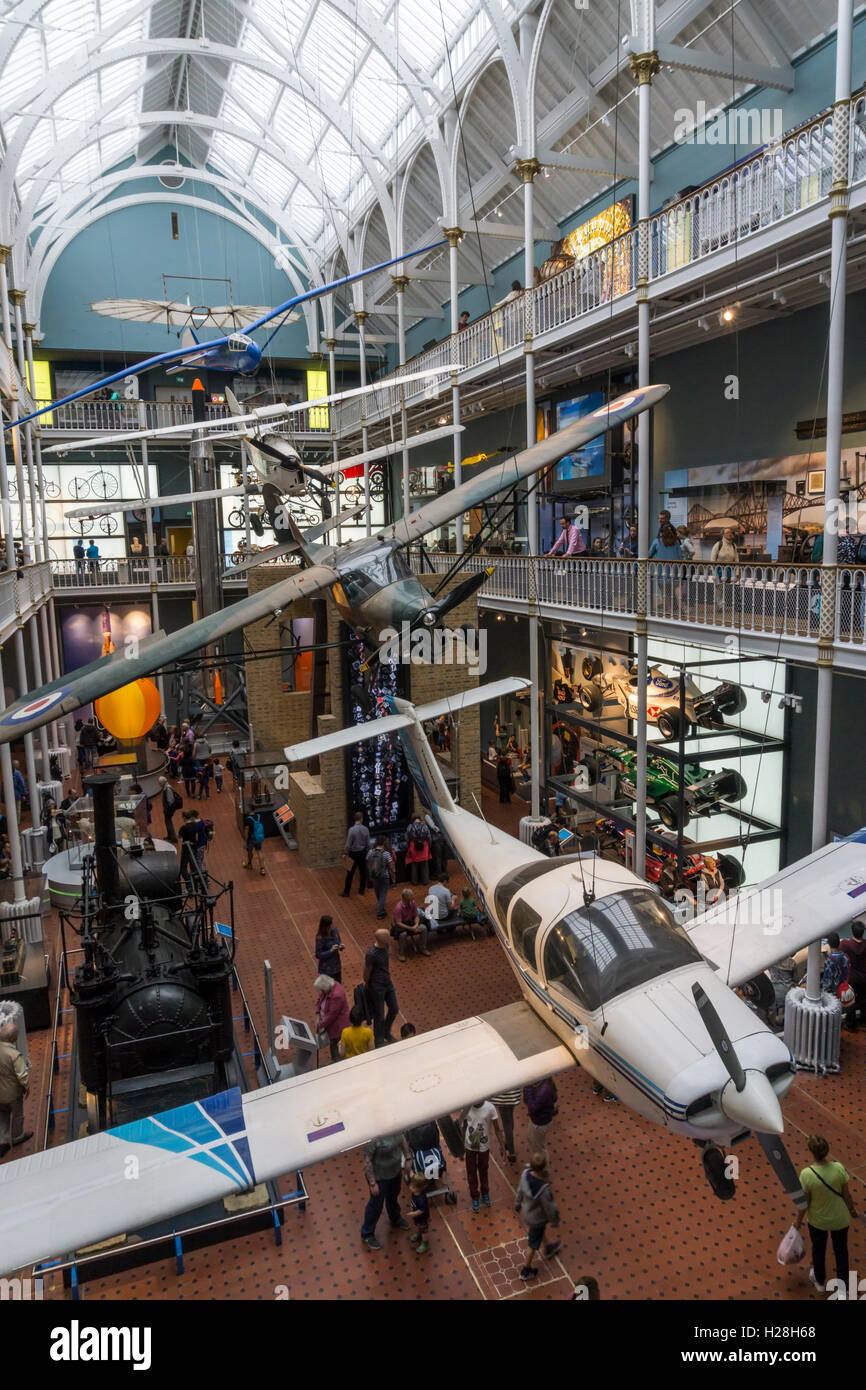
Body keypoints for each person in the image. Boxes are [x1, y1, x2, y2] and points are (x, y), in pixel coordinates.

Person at [793, 1134, 859, 1294]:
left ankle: (820, 1281)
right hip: (840, 1219)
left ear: (811, 1152)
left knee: (819, 1250)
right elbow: (847, 1195)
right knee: (841, 1250)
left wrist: (798, 1221)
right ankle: (843, 1286)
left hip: (818, 1221)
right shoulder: (838, 1168)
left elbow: (805, 1203)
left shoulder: (807, 1174)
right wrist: (852, 1211)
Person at [360, 1131, 412, 1250]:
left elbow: (402, 1139)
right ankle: (367, 1233)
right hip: (379, 1178)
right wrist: (372, 1183)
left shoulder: (395, 1127)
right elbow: (367, 1161)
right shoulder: (373, 1137)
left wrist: (408, 1157)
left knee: (393, 1197)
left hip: (395, 1171)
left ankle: (395, 1218)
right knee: (376, 1205)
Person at [515, 1153, 561, 1281]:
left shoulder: (525, 1175)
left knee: (539, 1233)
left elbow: (519, 1190)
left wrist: (517, 1203)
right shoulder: (543, 1188)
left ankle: (548, 1247)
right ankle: (525, 1270)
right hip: (537, 1219)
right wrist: (554, 1220)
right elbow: (550, 1207)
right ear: (543, 1168)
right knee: (533, 1244)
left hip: (527, 1212)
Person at [460, 1098, 504, 1213]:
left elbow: (497, 1129)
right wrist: (461, 1148)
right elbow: (463, 1127)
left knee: (484, 1170)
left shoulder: (490, 1108)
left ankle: (485, 1193)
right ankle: (475, 1196)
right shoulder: (466, 1108)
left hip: (484, 1147)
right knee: (471, 1172)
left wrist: (502, 1146)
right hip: (469, 1146)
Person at [0, 1020, 31, 1158]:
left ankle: (3, 1141)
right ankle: (17, 1137)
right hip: (13, 1093)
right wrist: (27, 1087)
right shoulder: (14, 1055)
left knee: (3, 1116)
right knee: (17, 1115)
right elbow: (22, 1075)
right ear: (13, 1038)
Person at [364, 927, 399, 1047]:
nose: (390, 938)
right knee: (379, 1015)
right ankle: (378, 1040)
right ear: (382, 939)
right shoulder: (371, 954)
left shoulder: (386, 946)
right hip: (377, 986)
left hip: (387, 982)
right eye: (387, 936)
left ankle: (386, 1031)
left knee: (394, 1008)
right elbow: (366, 973)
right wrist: (369, 986)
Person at [315, 974, 350, 1064]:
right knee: (333, 1044)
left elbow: (332, 1015)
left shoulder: (337, 995)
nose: (321, 992)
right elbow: (319, 998)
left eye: (322, 990)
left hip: (338, 1026)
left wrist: (321, 1024)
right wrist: (318, 1013)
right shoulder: (328, 986)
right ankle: (334, 1060)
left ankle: (338, 1063)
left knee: (337, 1045)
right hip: (330, 1025)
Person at [391, 889, 431, 962]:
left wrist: (416, 925)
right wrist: (411, 928)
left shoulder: (412, 903)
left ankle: (422, 947)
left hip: (411, 922)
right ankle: (401, 953)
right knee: (403, 934)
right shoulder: (398, 908)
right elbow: (398, 923)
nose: (412, 899)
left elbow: (416, 915)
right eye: (410, 898)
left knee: (424, 928)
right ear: (404, 898)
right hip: (402, 925)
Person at [524, 1076, 558, 1160]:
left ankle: (542, 1168)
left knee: (539, 1149)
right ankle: (540, 1166)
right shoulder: (545, 1082)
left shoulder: (543, 1090)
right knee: (532, 1139)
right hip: (539, 1120)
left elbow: (532, 1107)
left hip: (540, 1123)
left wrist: (527, 1088)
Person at [840, 921, 866, 1029]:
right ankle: (864, 1022)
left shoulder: (846, 945)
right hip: (864, 977)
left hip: (852, 978)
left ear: (852, 931)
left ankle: (851, 1024)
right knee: (864, 1000)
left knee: (851, 1001)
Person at [341, 810, 370, 897]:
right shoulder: (366, 829)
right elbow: (368, 844)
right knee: (363, 872)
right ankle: (361, 890)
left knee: (350, 873)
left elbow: (348, 844)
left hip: (353, 854)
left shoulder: (351, 830)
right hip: (362, 853)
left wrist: (345, 852)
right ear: (361, 819)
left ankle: (346, 892)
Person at [366, 836, 394, 919]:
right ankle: (380, 912)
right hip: (384, 876)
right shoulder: (386, 854)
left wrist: (370, 874)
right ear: (384, 843)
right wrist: (394, 878)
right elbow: (391, 867)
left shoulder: (370, 852)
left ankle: (381, 907)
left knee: (378, 893)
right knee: (383, 894)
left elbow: (368, 863)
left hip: (374, 875)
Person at [489, 1087, 519, 1162]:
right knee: (509, 1118)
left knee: (506, 1125)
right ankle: (508, 1143)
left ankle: (511, 1152)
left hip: (503, 1099)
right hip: (512, 1095)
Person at [314, 915, 344, 982]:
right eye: (330, 925)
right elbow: (318, 954)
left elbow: (338, 942)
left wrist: (341, 946)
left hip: (336, 965)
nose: (332, 926)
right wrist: (330, 951)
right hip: (326, 969)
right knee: (329, 989)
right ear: (325, 926)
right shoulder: (320, 937)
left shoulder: (335, 930)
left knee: (338, 985)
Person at [404, 815, 431, 886]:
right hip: (424, 846)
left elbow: (406, 838)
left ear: (413, 820)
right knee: (424, 865)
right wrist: (429, 847)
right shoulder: (425, 826)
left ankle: (414, 882)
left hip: (413, 846)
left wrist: (408, 847)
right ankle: (425, 881)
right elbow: (429, 837)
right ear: (420, 819)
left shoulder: (410, 827)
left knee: (414, 865)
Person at [178, 809, 201, 890]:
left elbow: (179, 836)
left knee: (183, 868)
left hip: (186, 849)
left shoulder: (183, 828)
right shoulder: (194, 825)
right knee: (193, 867)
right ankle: (195, 885)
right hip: (194, 847)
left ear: (184, 818)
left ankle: (189, 884)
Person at [408, 1173, 431, 1254]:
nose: (410, 1187)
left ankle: (425, 1243)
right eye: (411, 1184)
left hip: (422, 1218)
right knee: (419, 1226)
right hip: (418, 1218)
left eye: (413, 1187)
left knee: (424, 1230)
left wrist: (414, 1214)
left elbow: (422, 1210)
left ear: (420, 1188)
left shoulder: (421, 1199)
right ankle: (419, 1233)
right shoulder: (415, 1193)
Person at [159, 775, 181, 844]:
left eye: (159, 783)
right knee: (167, 822)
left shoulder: (167, 789)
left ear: (163, 782)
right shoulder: (166, 788)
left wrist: (167, 809)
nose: (159, 784)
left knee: (168, 823)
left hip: (169, 810)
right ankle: (170, 836)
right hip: (168, 809)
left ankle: (173, 838)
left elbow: (170, 801)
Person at [243, 809, 266, 875]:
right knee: (259, 851)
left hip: (251, 838)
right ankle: (262, 869)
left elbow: (246, 830)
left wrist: (245, 841)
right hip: (259, 837)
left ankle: (249, 864)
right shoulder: (259, 816)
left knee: (250, 851)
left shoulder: (248, 819)